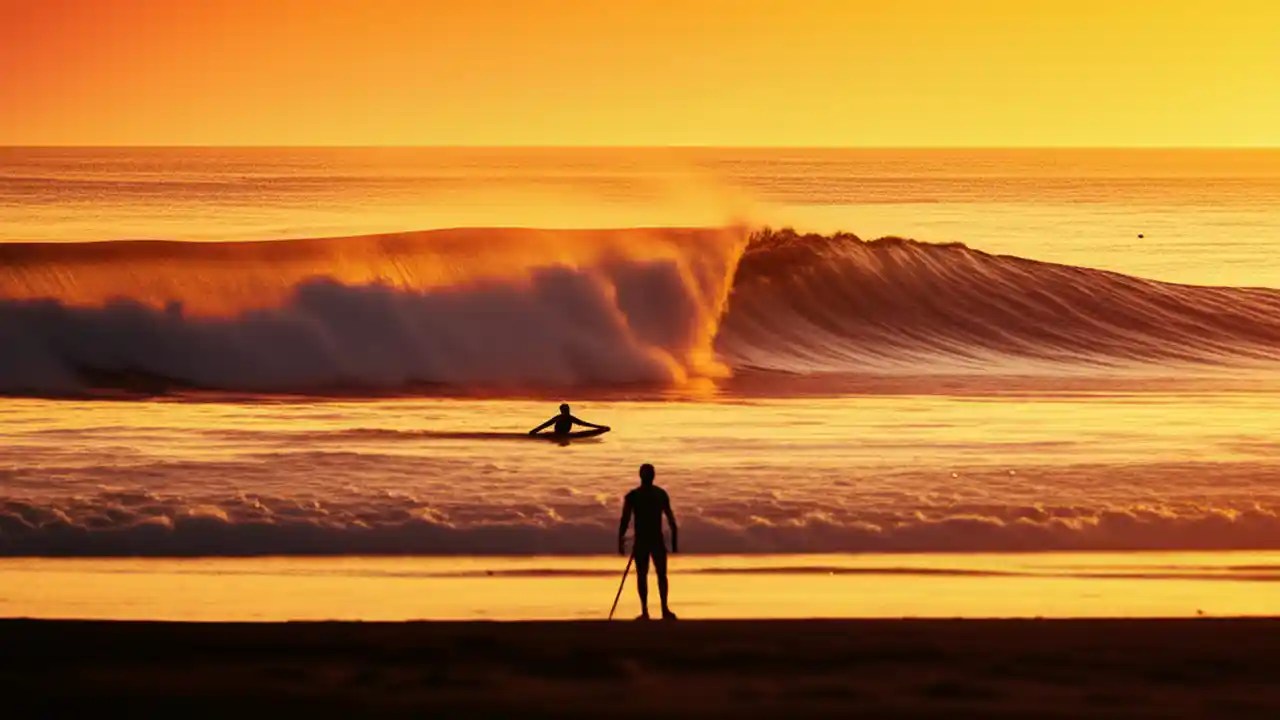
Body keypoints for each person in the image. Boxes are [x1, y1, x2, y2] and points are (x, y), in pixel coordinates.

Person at [618, 463, 678, 620]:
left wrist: (621, 540)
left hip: (647, 540)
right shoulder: (656, 494)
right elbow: (671, 519)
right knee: (655, 575)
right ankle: (657, 609)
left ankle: (651, 610)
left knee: (649, 575)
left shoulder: (636, 495)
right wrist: (674, 540)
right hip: (649, 540)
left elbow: (625, 520)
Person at [528, 403, 609, 436]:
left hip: (565, 435)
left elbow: (584, 424)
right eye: (566, 409)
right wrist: (534, 431)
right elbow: (546, 424)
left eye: (568, 409)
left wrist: (600, 427)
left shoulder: (570, 418)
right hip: (557, 435)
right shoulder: (559, 417)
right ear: (562, 411)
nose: (567, 411)